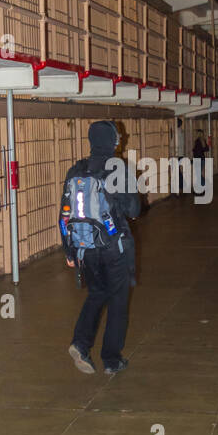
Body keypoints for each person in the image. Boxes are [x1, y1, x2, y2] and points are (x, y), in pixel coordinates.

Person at [60, 120, 140, 375]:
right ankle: (111, 359)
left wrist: (69, 251)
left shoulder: (76, 170)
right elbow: (134, 209)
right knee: (118, 301)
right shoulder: (118, 169)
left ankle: (80, 344)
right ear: (113, 142)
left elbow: (64, 214)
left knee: (96, 294)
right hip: (114, 247)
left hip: (85, 247)